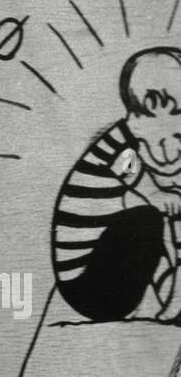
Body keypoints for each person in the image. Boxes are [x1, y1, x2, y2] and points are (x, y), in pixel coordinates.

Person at [53, 46, 181, 322]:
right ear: (147, 111)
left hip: (101, 276)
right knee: (147, 219)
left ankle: (172, 295)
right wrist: (154, 193)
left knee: (151, 228)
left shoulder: (135, 140)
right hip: (87, 283)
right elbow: (127, 166)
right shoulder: (119, 145)